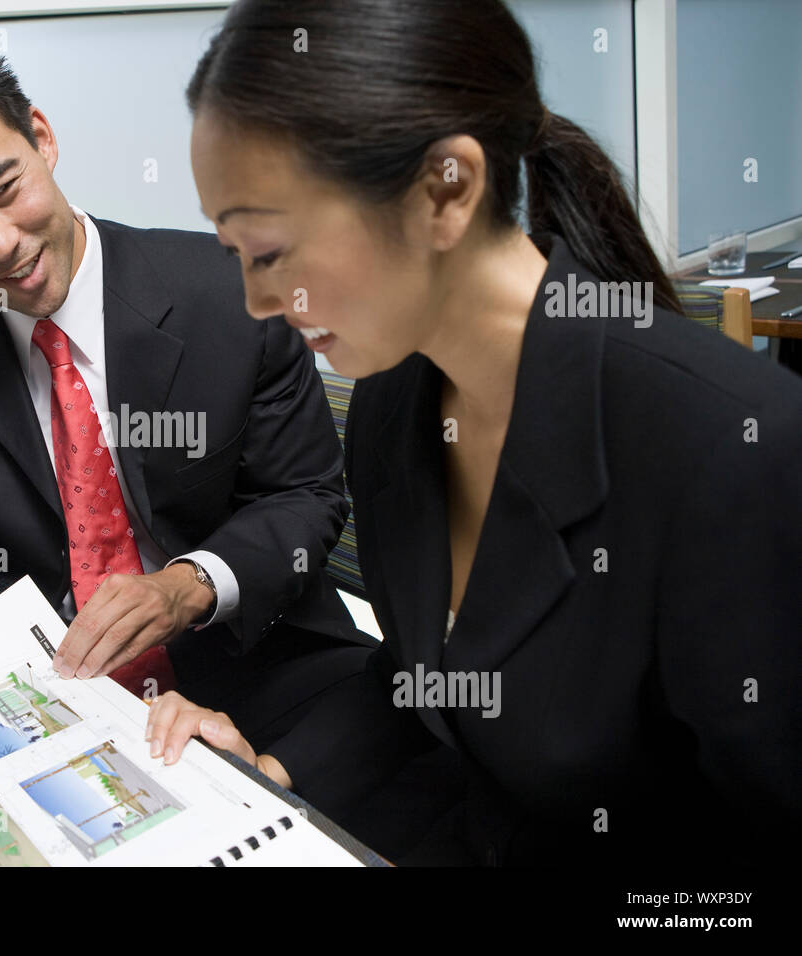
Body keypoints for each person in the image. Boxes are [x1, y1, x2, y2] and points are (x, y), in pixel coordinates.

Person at [146, 0, 802, 865]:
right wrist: (270, 772)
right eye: (234, 255)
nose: (259, 304)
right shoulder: (394, 400)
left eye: (270, 252)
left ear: (446, 189)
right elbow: (431, 677)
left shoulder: (736, 456)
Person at [0, 26, 373, 753]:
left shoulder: (226, 287)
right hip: (54, 714)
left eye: (4, 190)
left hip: (274, 682)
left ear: (41, 139)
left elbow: (306, 497)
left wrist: (186, 587)